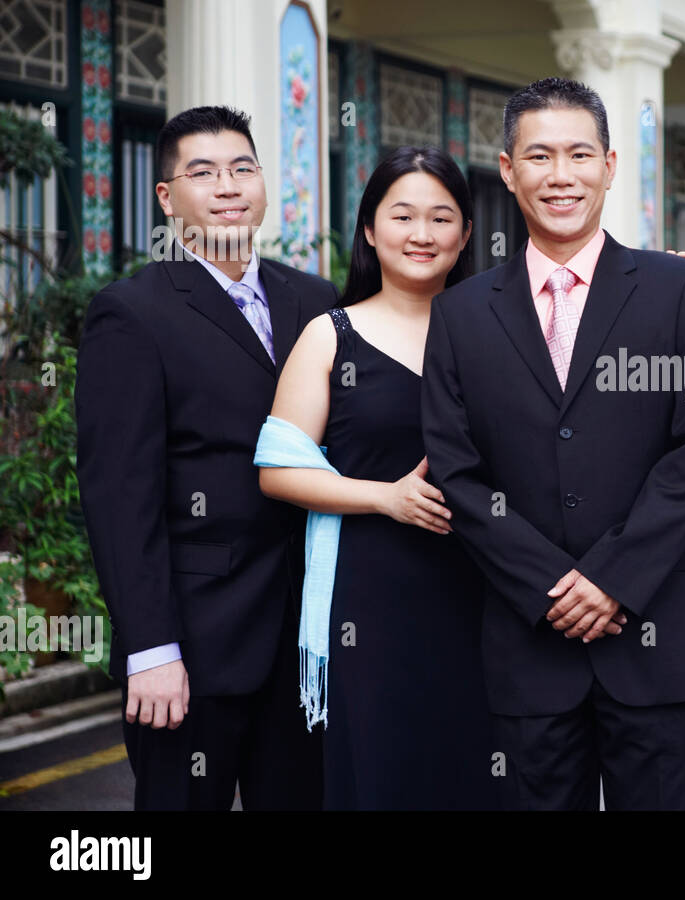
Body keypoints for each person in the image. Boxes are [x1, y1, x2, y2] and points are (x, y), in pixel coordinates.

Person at [420, 77, 685, 810]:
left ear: (610, 164)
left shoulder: (677, 289)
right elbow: (458, 472)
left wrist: (615, 580)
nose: (560, 176)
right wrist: (551, 588)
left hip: (659, 639)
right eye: (539, 156)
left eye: (578, 155)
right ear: (507, 169)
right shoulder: (461, 314)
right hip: (528, 646)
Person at [75, 105, 334, 810]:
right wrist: (151, 650)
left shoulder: (314, 301)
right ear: (167, 197)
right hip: (195, 641)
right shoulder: (132, 312)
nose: (227, 187)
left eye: (243, 168)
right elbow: (118, 496)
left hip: (306, 637)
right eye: (203, 172)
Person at [256, 146, 500, 810]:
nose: (422, 234)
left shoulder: (498, 334)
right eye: (403, 216)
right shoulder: (330, 336)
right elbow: (278, 468)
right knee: (382, 776)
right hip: (372, 603)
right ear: (369, 229)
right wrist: (384, 498)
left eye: (441, 218)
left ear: (466, 234)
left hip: (488, 594)